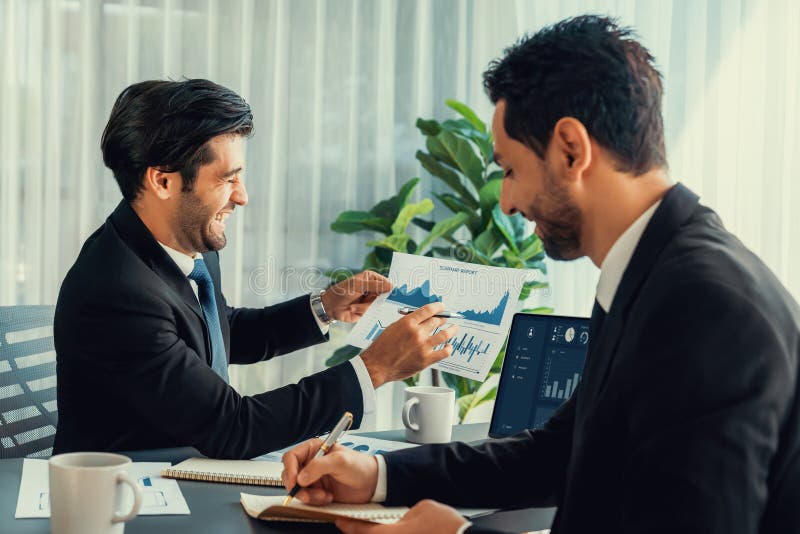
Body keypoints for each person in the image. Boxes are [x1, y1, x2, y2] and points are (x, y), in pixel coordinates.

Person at [280, 15, 800, 534]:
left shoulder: (706, 307)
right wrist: (377, 475)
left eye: (509, 170)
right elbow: (559, 454)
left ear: (571, 150)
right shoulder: (650, 273)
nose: (506, 202)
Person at [53, 79, 458, 459]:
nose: (242, 197)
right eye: (228, 179)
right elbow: (231, 427)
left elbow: (214, 331)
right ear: (163, 181)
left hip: (189, 472)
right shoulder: (116, 291)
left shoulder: (184, 241)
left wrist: (325, 308)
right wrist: (375, 368)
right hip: (134, 498)